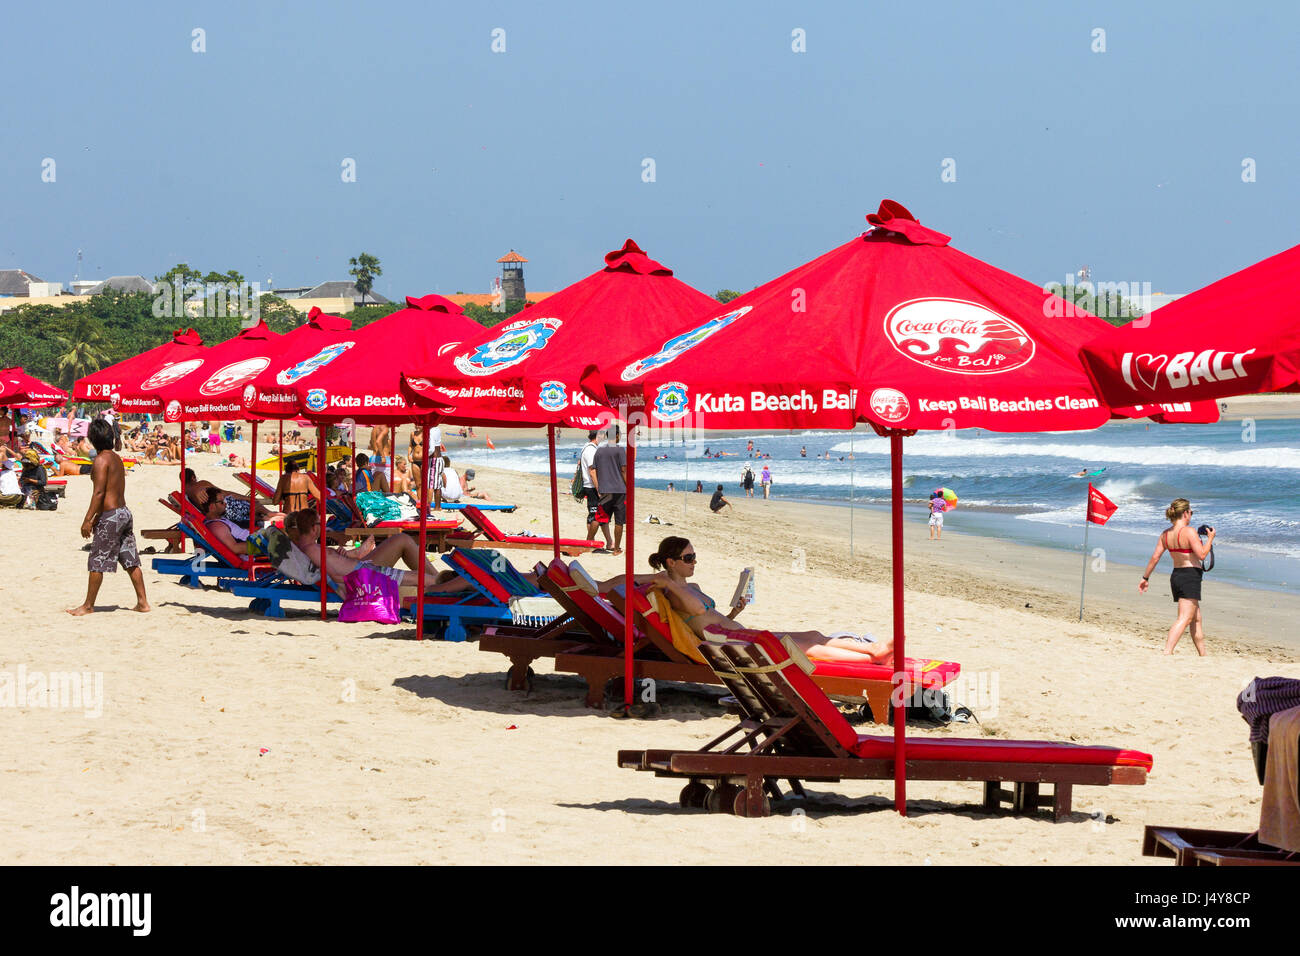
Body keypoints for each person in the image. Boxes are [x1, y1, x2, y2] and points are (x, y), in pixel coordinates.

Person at [596, 536, 892, 664]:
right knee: (803, 646)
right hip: (725, 645)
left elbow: (709, 617)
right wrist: (601, 584)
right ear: (671, 562)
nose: (693, 562)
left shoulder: (690, 585)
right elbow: (697, 611)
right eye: (688, 558)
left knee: (812, 635)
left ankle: (873, 650)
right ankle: (871, 658)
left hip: (731, 631)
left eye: (694, 556)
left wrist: (734, 610)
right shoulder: (669, 590)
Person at [283, 507, 486, 594]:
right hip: (363, 576)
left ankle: (450, 585)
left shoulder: (310, 549)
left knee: (408, 551)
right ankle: (464, 586)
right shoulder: (312, 550)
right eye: (320, 523)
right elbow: (338, 579)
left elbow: (333, 570)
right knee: (422, 579)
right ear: (314, 527)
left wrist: (343, 553)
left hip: (363, 570)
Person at [67, 419, 150, 615]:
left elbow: (99, 493)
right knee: (130, 558)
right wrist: (98, 516)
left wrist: (88, 519)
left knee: (97, 559)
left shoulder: (101, 460)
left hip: (112, 514)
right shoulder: (115, 458)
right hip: (123, 512)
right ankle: (143, 602)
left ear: (93, 438)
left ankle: (88, 605)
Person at [1139, 498, 1215, 656]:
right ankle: (1167, 651)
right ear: (1186, 513)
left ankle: (1203, 655)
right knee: (1185, 618)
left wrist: (1145, 578)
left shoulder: (1165, 534)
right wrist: (1210, 539)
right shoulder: (1189, 531)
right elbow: (1201, 554)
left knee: (1196, 619)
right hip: (1190, 576)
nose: (1191, 515)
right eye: (1191, 512)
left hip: (1176, 576)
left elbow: (1155, 557)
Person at [591, 430, 628, 555]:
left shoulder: (599, 450)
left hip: (605, 490)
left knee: (599, 517)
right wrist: (629, 486)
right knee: (619, 521)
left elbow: (593, 469)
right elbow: (624, 470)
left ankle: (588, 542)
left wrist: (598, 487)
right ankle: (616, 548)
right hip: (619, 490)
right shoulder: (620, 450)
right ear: (616, 436)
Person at [578, 431, 610, 549]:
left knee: (601, 514)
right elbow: (592, 471)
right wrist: (599, 488)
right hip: (592, 486)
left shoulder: (587, 448)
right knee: (594, 515)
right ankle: (590, 542)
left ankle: (609, 541)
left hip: (590, 485)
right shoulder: (591, 450)